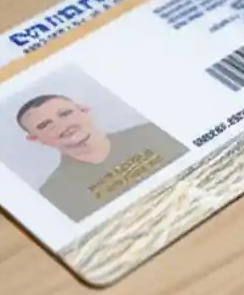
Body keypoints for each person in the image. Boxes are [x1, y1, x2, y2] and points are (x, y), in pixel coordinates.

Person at [16, 94, 187, 221]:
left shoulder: (154, 133)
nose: (62, 125)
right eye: (45, 125)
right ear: (35, 139)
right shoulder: (54, 194)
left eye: (65, 114)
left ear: (84, 111)